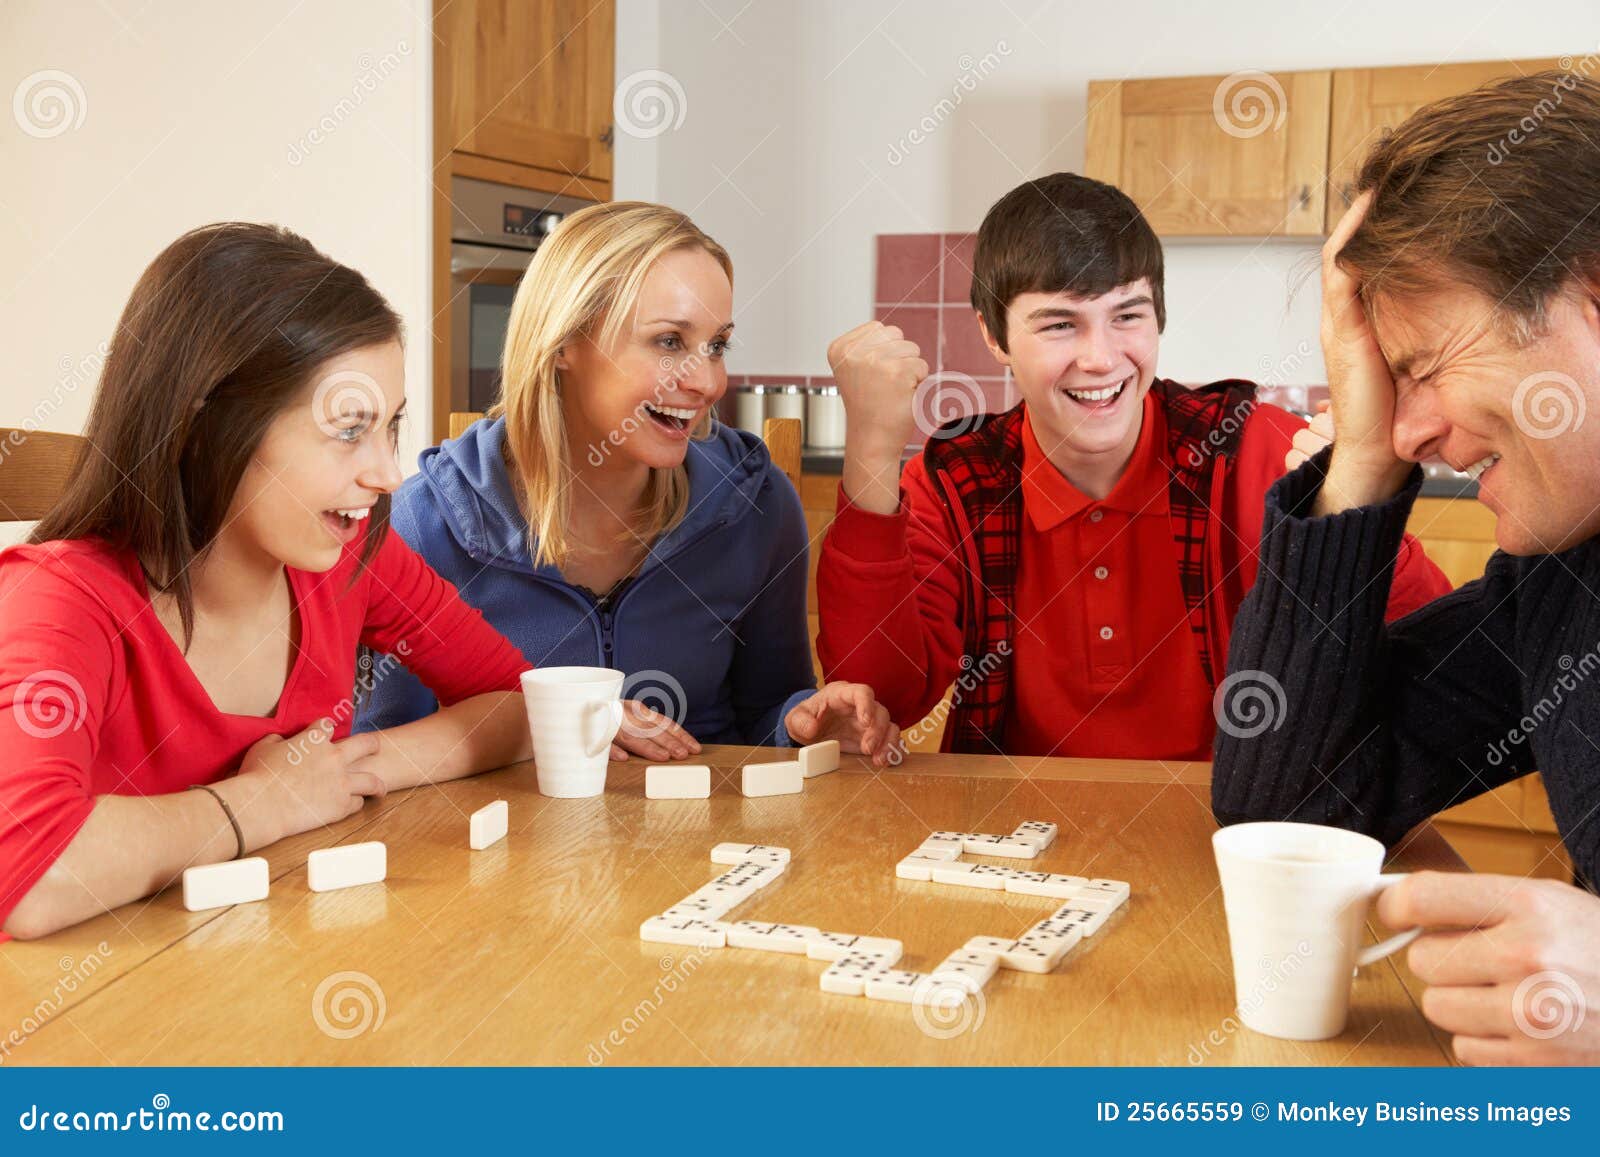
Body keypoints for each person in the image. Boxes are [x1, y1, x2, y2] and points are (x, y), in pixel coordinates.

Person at [1212, 71, 1600, 1065]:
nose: (1414, 428)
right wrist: (1363, 458)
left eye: (1422, 366)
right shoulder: (1558, 576)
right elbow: (1290, 807)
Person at [0, 224, 536, 940]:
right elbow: (30, 874)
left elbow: (517, 702)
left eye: (390, 428)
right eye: (349, 430)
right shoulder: (60, 599)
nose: (386, 474)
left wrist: (341, 773)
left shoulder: (350, 559)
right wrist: (267, 801)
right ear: (206, 427)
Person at [816, 172, 1450, 759]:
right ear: (994, 335)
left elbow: (1431, 654)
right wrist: (872, 449)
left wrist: (1359, 513)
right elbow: (882, 698)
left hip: (1222, 833)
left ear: (1159, 318)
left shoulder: (1258, 449)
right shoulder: (952, 481)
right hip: (1008, 834)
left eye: (1127, 316)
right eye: (1060, 324)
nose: (1100, 358)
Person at [357, 202, 898, 763]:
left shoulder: (755, 507)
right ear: (563, 342)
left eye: (717, 345)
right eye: (669, 342)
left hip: (704, 839)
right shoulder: (421, 526)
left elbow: (763, 713)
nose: (708, 381)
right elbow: (377, 753)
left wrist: (801, 725)